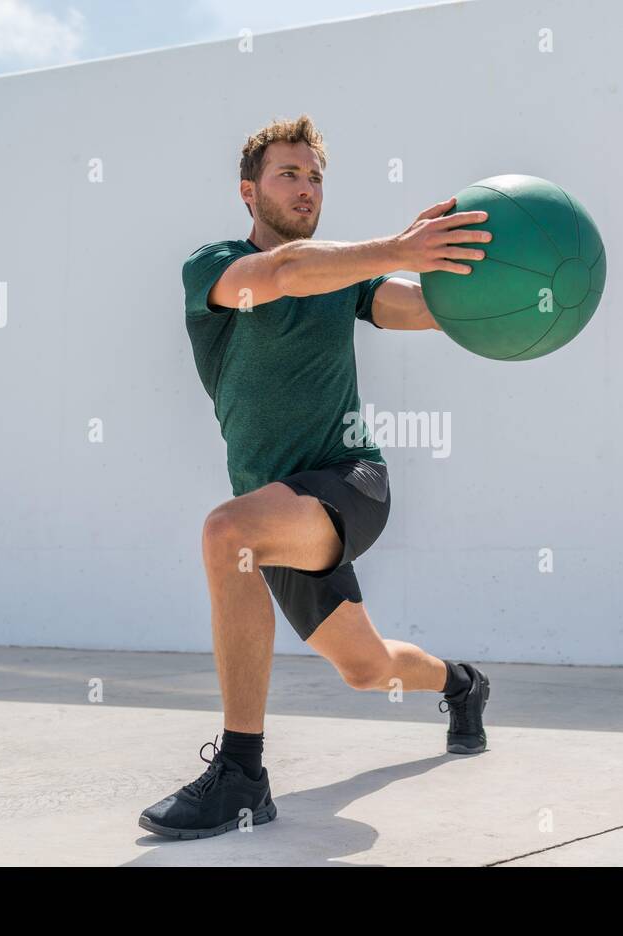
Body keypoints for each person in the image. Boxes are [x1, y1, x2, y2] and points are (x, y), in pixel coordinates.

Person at [138, 115, 492, 840]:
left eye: (316, 176)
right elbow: (284, 274)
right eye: (288, 174)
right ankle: (463, 683)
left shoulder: (347, 277)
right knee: (366, 667)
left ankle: (242, 773)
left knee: (226, 530)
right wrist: (393, 247)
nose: (306, 188)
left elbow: (424, 308)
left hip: (351, 480)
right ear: (248, 191)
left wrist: (497, 291)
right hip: (283, 508)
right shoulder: (214, 267)